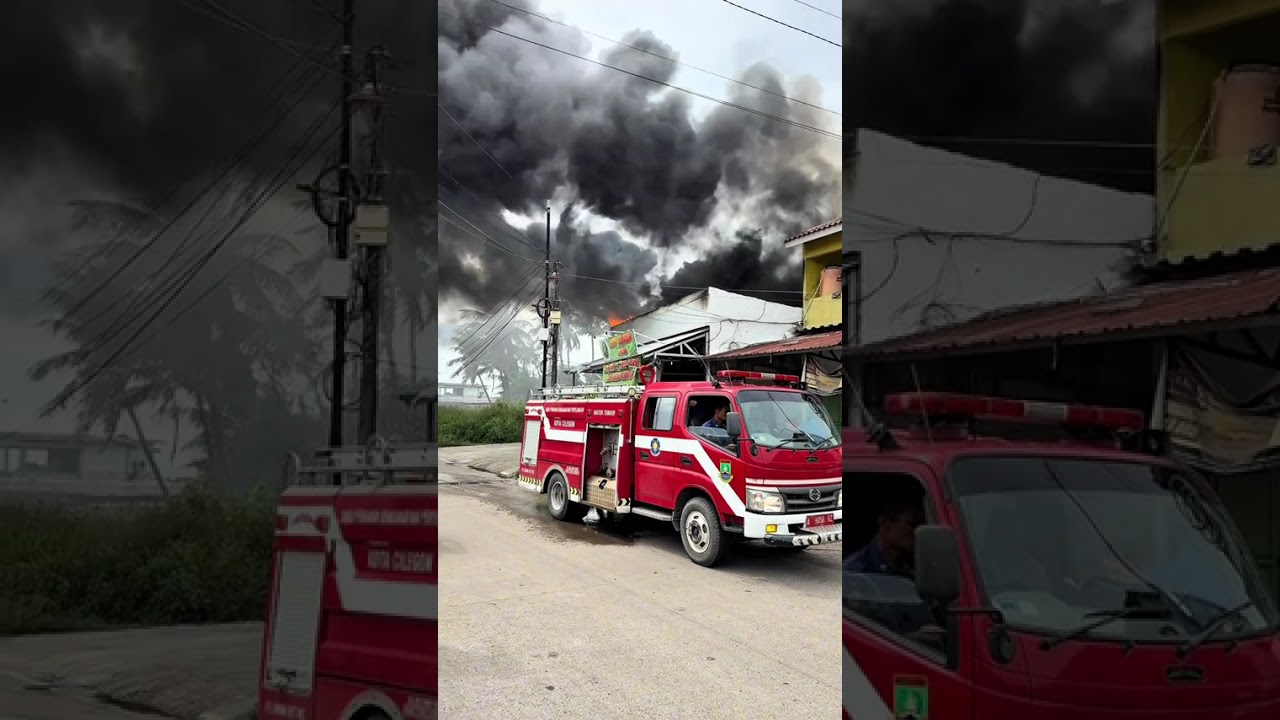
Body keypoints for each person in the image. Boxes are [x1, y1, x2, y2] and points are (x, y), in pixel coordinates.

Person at [844, 496, 923, 578]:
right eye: (911, 524)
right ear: (886, 524)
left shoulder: (909, 569)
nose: (917, 531)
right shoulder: (855, 571)